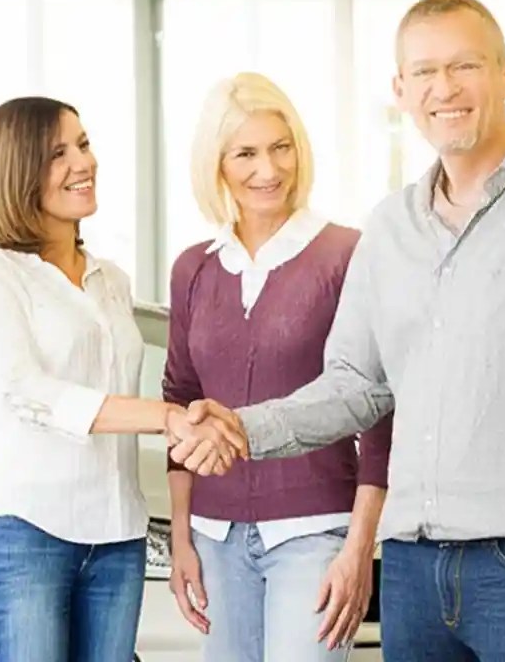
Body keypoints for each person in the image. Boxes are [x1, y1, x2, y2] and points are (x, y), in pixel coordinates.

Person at [173, 0, 505, 660]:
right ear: (401, 90)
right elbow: (357, 385)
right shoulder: (391, 227)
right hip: (412, 568)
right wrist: (244, 427)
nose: (444, 88)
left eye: (464, 66)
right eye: (424, 73)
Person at [0, 96, 247, 662]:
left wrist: (202, 417)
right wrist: (166, 418)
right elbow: (25, 391)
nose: (82, 162)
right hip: (25, 531)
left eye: (83, 144)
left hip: (117, 533)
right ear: (16, 170)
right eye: (58, 152)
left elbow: (160, 376)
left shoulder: (111, 279)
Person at [162, 72, 392, 661]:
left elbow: (381, 410)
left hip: (317, 531)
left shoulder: (348, 254)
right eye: (246, 153)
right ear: (217, 164)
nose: (269, 170)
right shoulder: (194, 269)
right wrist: (182, 538)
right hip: (214, 539)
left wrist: (360, 546)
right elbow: (180, 400)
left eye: (280, 147)